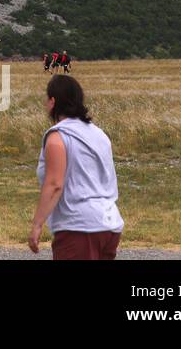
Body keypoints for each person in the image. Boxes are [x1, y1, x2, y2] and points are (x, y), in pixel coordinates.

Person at [29, 75, 123, 260]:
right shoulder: (99, 134)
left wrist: (37, 224)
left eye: (46, 100)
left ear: (53, 101)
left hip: (79, 227)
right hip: (109, 224)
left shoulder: (58, 137)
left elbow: (55, 184)